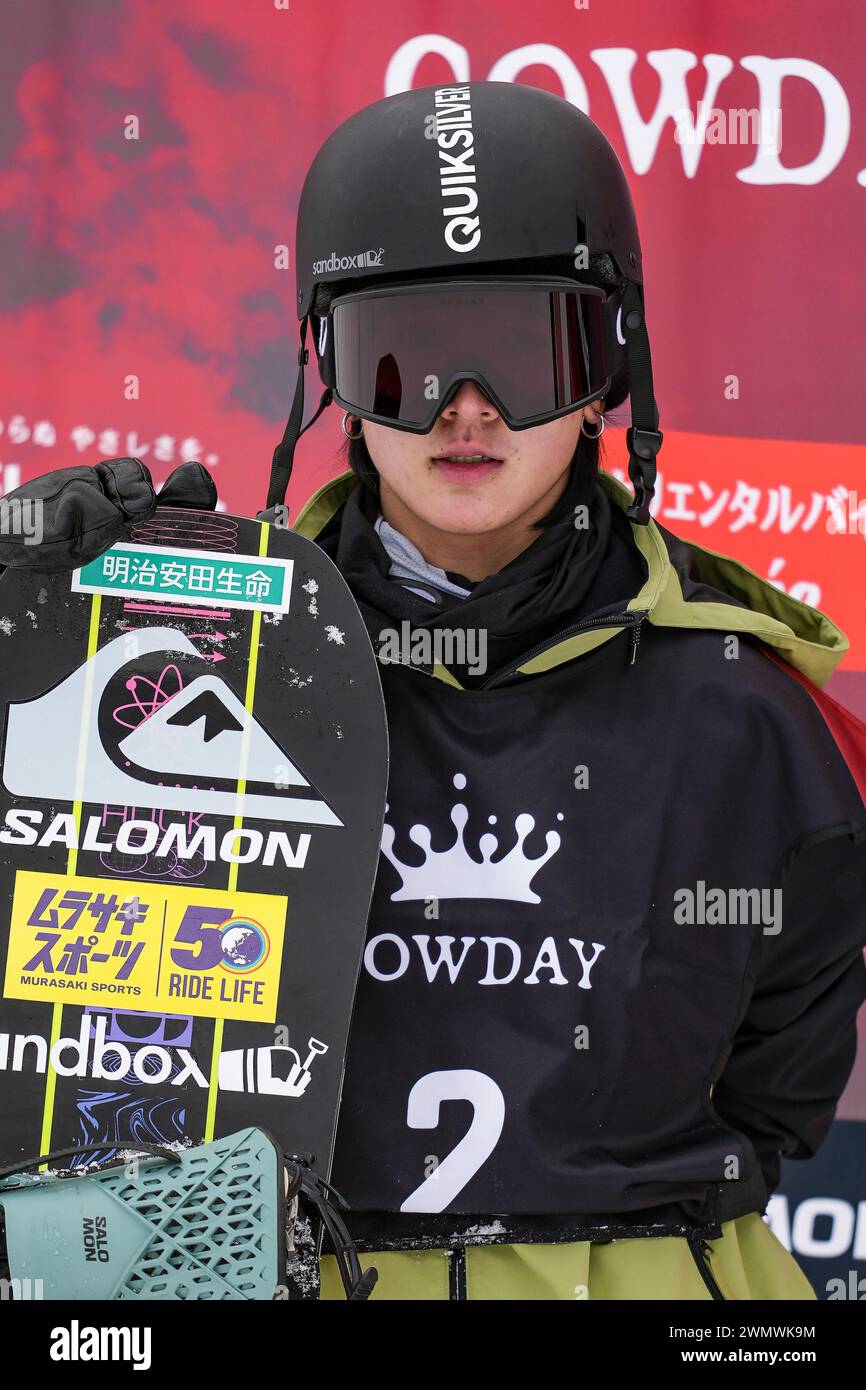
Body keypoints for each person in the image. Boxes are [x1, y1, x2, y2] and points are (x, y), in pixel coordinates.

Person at [2, 80, 865, 1302]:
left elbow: (783, 1071)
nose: (466, 409)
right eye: (401, 359)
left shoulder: (744, 707)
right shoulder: (202, 661)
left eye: (522, 349)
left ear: (606, 365)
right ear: (327, 371)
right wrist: (29, 637)